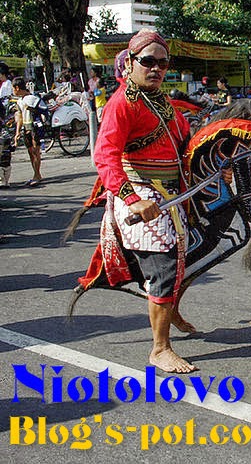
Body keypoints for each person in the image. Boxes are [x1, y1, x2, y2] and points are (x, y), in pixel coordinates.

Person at [92, 29, 197, 373]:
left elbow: (186, 141)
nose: (156, 69)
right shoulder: (121, 103)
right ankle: (159, 348)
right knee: (165, 268)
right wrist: (132, 199)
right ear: (130, 63)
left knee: (193, 251)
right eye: (148, 61)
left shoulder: (162, 101)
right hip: (139, 195)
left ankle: (169, 311)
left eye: (162, 63)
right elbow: (105, 155)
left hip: (171, 194)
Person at [12, 77, 45, 187]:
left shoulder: (33, 98)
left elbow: (44, 110)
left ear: (17, 88)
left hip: (35, 127)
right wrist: (17, 132)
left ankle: (37, 175)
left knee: (36, 151)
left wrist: (32, 109)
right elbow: (20, 117)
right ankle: (36, 174)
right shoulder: (20, 101)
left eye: (13, 89)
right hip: (26, 127)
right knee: (30, 152)